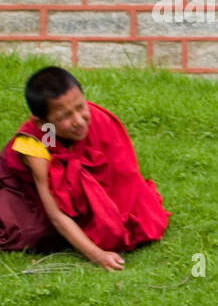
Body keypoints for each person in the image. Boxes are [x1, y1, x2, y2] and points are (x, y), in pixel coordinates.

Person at [0, 67, 168, 267]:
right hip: (26, 194)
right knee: (31, 232)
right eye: (64, 117)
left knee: (141, 211)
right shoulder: (35, 144)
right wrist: (97, 254)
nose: (78, 121)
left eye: (80, 107)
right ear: (42, 122)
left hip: (68, 194)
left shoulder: (96, 119)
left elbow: (123, 174)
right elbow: (56, 214)